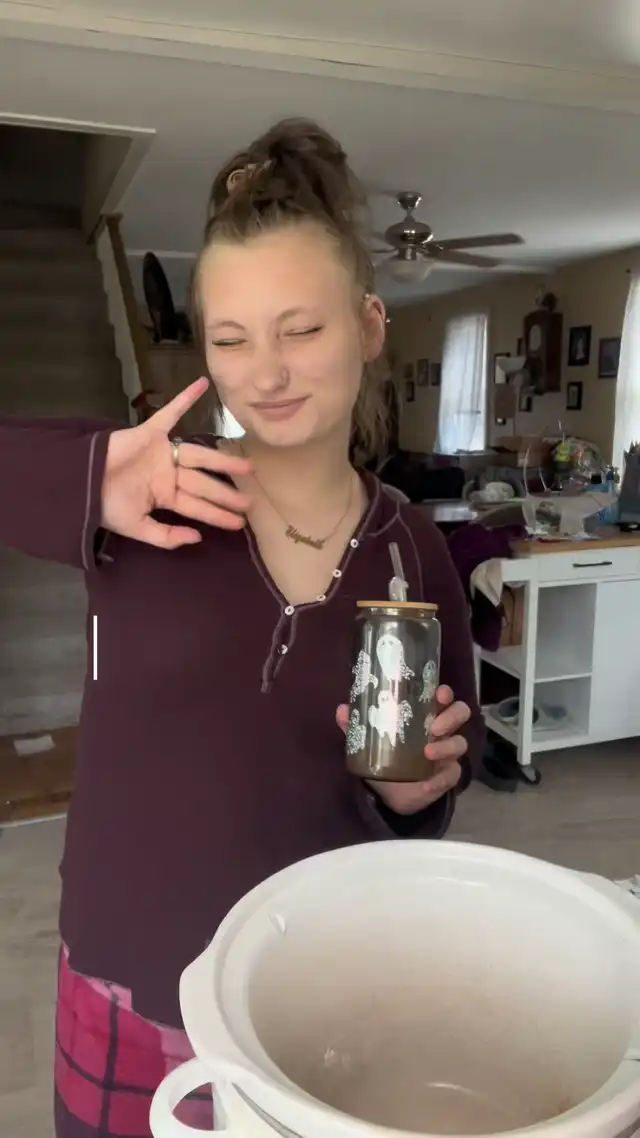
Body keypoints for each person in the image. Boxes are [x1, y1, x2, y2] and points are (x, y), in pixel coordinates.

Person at [0, 119, 484, 1138]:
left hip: (318, 986)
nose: (265, 372)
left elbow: (439, 776)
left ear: (368, 325)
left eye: (300, 330)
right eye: (230, 339)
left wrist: (412, 796)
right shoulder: (147, 499)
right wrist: (90, 478)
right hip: (133, 973)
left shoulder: (412, 549)